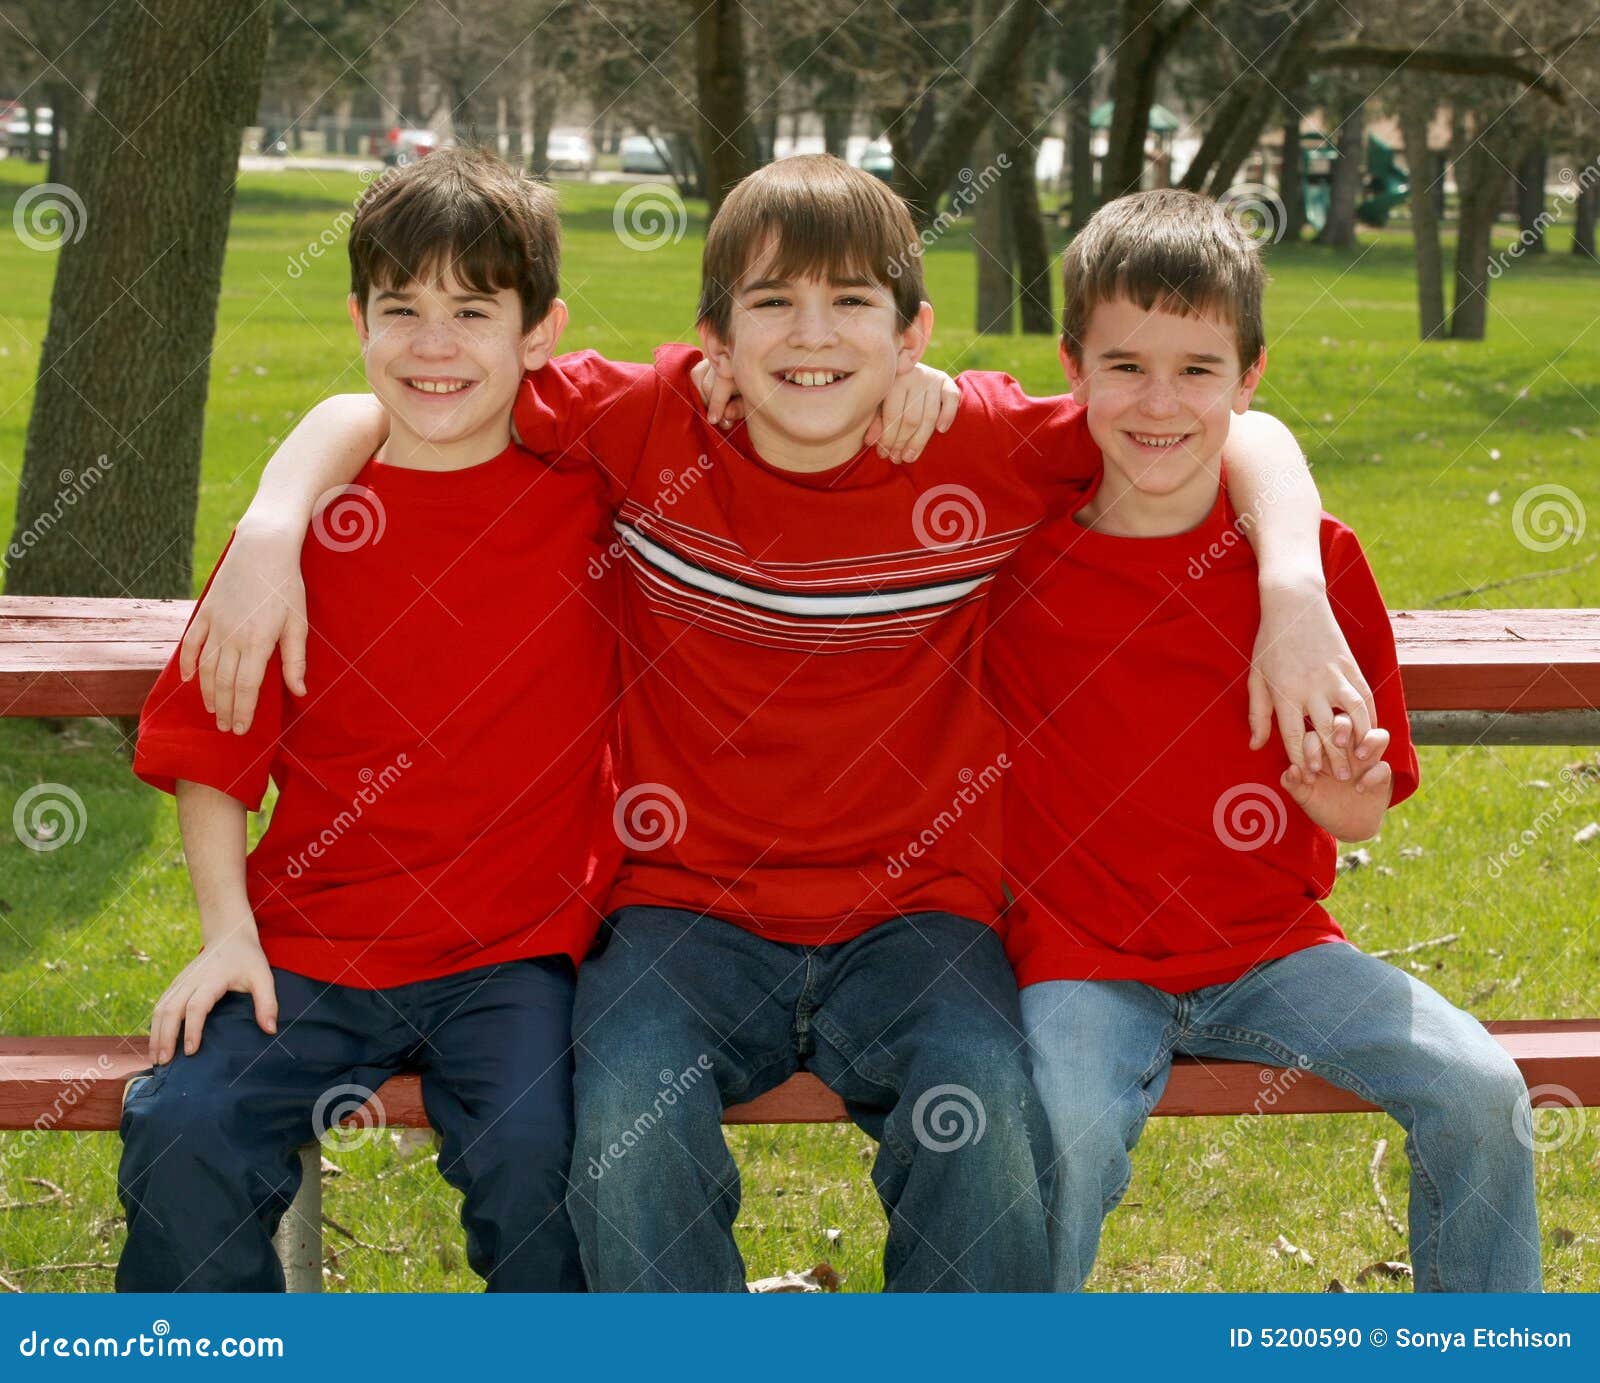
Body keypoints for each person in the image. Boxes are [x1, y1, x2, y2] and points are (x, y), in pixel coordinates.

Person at [177, 156, 1375, 1292]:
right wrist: (278, 521)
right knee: (627, 1116)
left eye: (851, 302)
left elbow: (1222, 422)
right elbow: (411, 380)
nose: (811, 336)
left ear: (913, 337)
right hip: (683, 907)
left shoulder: (979, 444)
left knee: (982, 1114)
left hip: (919, 911)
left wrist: (1288, 587)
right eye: (771, 304)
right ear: (715, 340)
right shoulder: (648, 429)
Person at [986, 187, 1540, 1293]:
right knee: (1060, 1133)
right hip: (1077, 959)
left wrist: (1339, 796)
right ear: (1070, 366)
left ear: (1249, 379)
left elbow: (1364, 805)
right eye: (1124, 366)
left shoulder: (1315, 569)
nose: (1159, 402)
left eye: (1197, 370)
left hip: (1271, 950)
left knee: (1482, 1089)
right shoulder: (1012, 554)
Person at [117, 147, 617, 1292]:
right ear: (358, 319)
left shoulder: (594, 487)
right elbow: (213, 753)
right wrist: (226, 934)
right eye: (402, 310)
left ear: (540, 333)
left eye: (473, 311)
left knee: (548, 1156)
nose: (434, 345)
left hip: (521, 950)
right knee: (184, 1125)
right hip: (313, 941)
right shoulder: (294, 548)